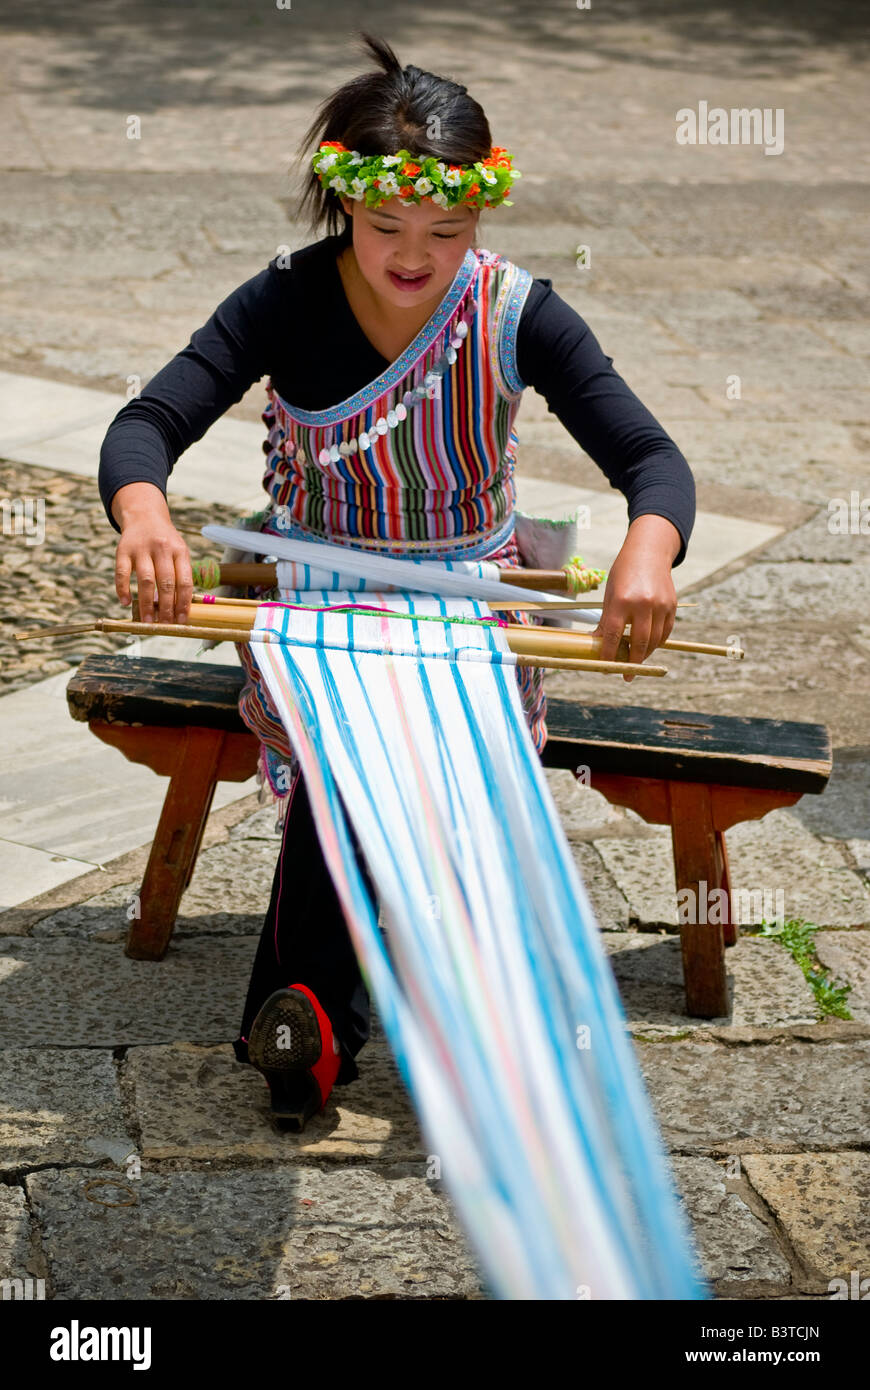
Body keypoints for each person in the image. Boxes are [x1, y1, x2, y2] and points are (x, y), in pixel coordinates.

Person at [98, 32, 695, 1132]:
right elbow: (149, 424)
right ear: (344, 199)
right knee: (354, 726)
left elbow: (652, 461)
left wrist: (648, 548)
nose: (416, 255)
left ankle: (319, 1014)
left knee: (435, 733)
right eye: (387, 228)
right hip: (318, 600)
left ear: (481, 217)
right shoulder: (284, 300)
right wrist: (144, 513)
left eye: (448, 230)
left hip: (469, 594)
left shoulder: (515, 312)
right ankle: (388, 1015)